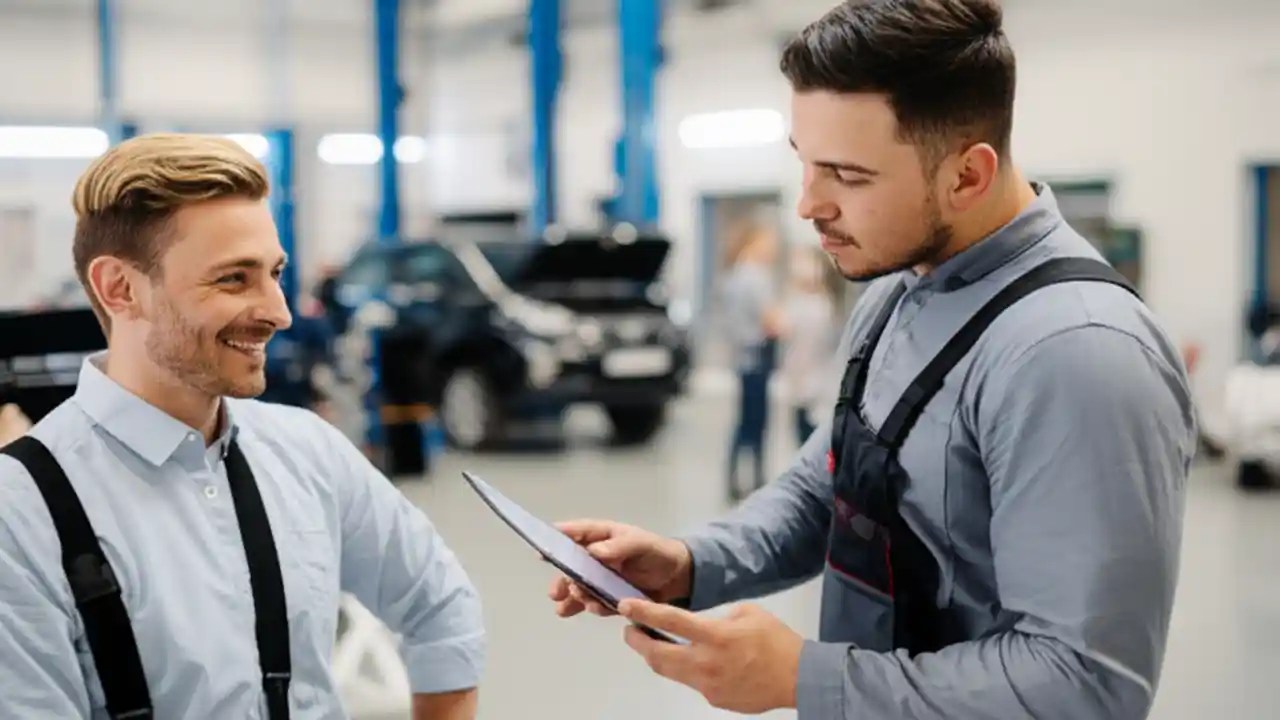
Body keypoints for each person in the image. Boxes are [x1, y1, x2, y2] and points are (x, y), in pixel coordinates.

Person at [547, 1, 1195, 718]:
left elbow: (1085, 686)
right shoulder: (895, 289)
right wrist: (693, 563)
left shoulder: (1075, 354)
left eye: (847, 176)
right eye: (804, 163)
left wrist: (808, 680)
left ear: (966, 177)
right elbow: (835, 490)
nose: (807, 205)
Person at [0, 134, 485, 719]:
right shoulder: (20, 512)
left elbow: (439, 606)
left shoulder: (306, 453)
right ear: (120, 288)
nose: (278, 311)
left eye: (275, 273)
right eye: (233, 279)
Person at [720, 223, 783, 500]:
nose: (772, 249)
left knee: (744, 419)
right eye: (768, 243)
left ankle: (733, 478)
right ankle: (757, 479)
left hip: (742, 358)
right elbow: (771, 322)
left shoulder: (734, 275)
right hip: (757, 355)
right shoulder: (756, 277)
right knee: (756, 420)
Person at [779, 246, 839, 446]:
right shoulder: (796, 301)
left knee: (811, 439)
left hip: (817, 384)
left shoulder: (821, 305)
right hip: (799, 382)